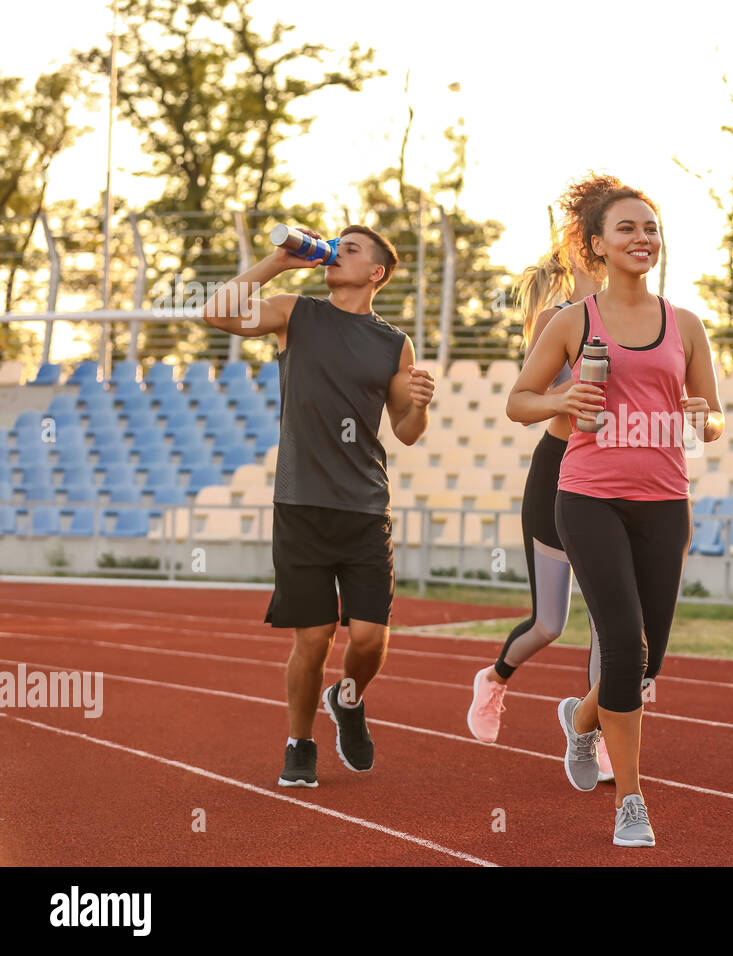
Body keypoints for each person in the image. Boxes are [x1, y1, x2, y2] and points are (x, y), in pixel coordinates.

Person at [506, 174, 723, 847]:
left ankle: (580, 720)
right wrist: (562, 403)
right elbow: (520, 400)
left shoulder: (686, 323)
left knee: (644, 662)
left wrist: (701, 418)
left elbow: (713, 419)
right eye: (626, 228)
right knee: (623, 645)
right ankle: (631, 799)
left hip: (665, 501)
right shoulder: (574, 321)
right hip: (590, 497)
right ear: (597, 244)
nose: (641, 238)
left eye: (650, 228)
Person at [202, 224, 435, 788]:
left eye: (350, 248)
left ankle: (348, 698)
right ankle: (299, 741)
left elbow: (406, 432)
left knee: (369, 638)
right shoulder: (295, 313)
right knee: (312, 639)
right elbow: (216, 313)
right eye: (336, 244)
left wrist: (420, 405)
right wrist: (278, 261)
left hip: (363, 507)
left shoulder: (393, 343)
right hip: (302, 503)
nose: (336, 251)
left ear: (376, 272)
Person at [467, 236, 617, 783]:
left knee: (609, 620)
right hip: (558, 471)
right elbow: (531, 403)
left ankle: (593, 732)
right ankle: (494, 680)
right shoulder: (558, 318)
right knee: (550, 623)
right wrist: (570, 396)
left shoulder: (634, 317)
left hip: (614, 474)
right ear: (582, 255)